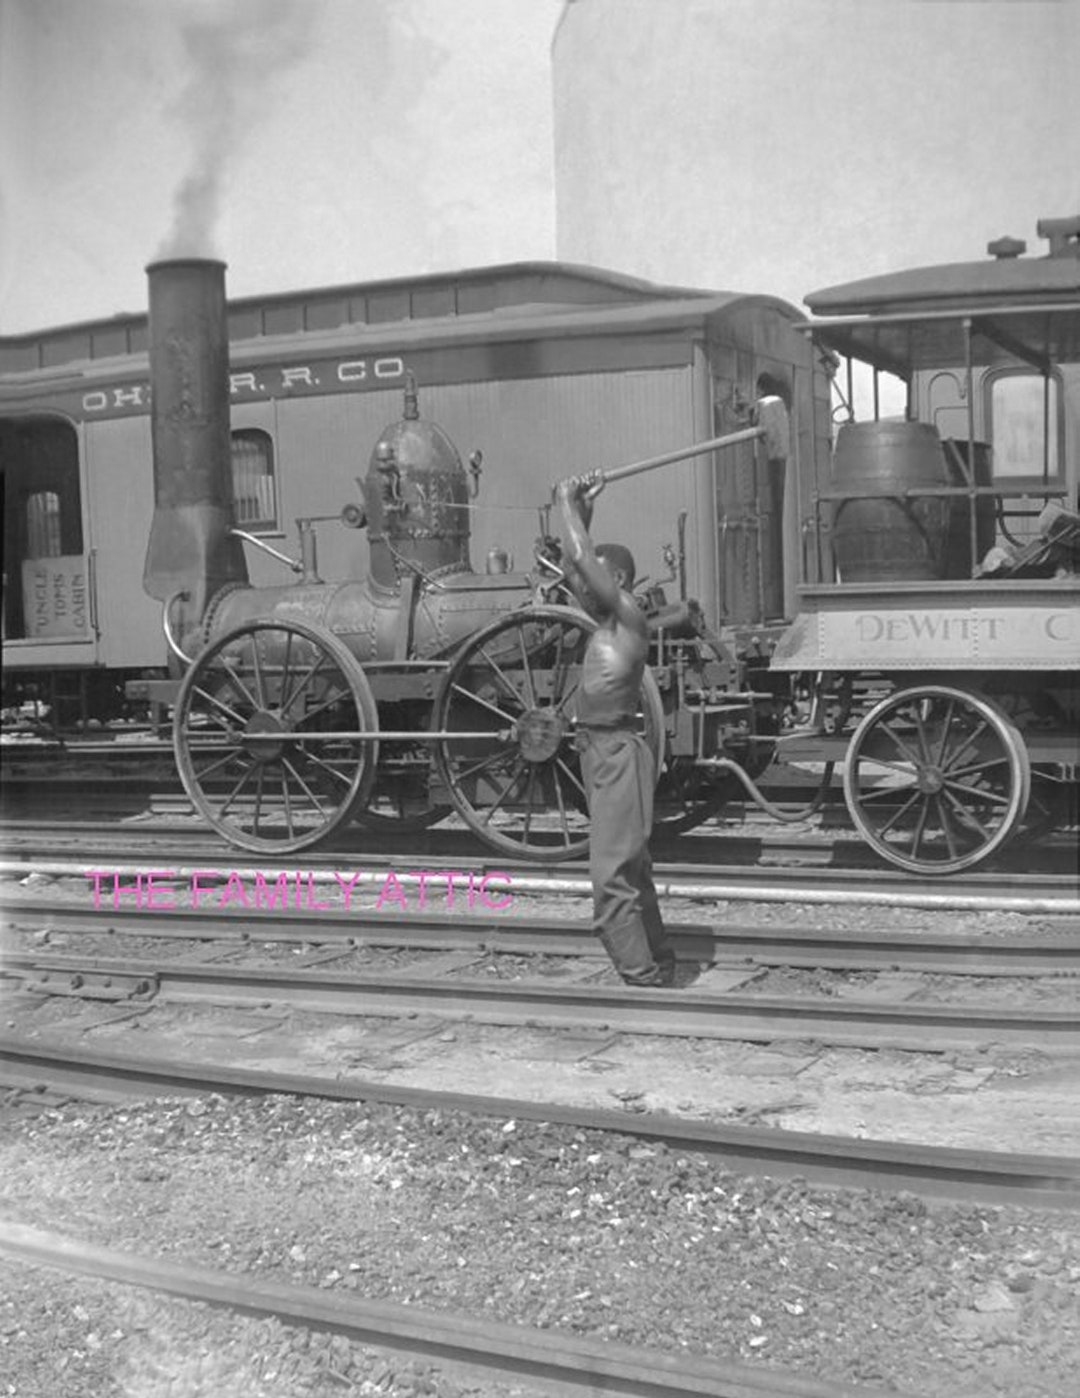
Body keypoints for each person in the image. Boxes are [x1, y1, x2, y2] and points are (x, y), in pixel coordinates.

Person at [556, 473, 675, 987]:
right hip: (602, 749)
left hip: (615, 751)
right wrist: (583, 513)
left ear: (619, 583)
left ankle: (641, 975)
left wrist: (562, 500)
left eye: (596, 581)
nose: (582, 589)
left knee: (612, 874)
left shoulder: (628, 617)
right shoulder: (606, 618)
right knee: (631, 866)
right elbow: (573, 565)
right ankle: (657, 960)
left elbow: (583, 563)